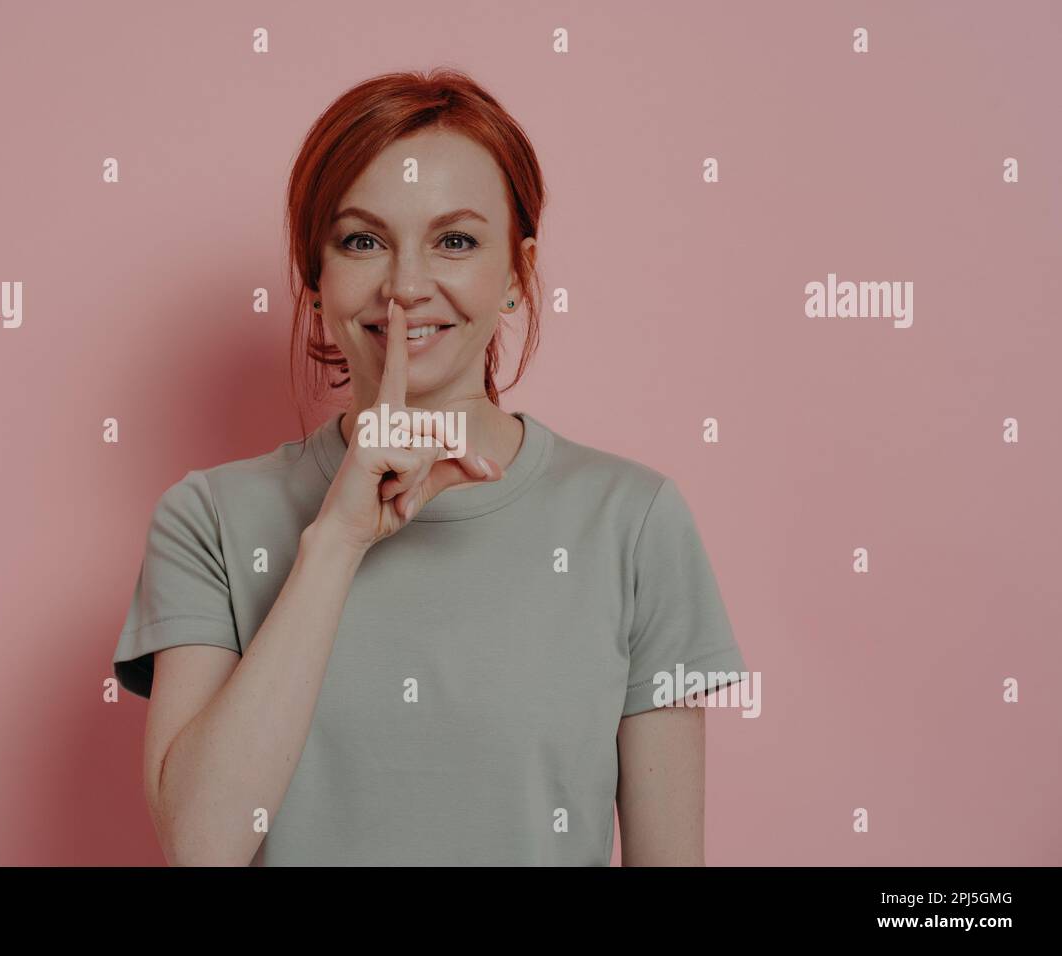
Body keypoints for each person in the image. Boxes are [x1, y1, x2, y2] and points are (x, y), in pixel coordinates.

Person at [112, 68, 747, 866]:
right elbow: (203, 847)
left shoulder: (634, 520)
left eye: (455, 240)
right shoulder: (206, 518)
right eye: (362, 241)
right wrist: (335, 542)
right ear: (315, 279)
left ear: (517, 274)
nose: (406, 287)